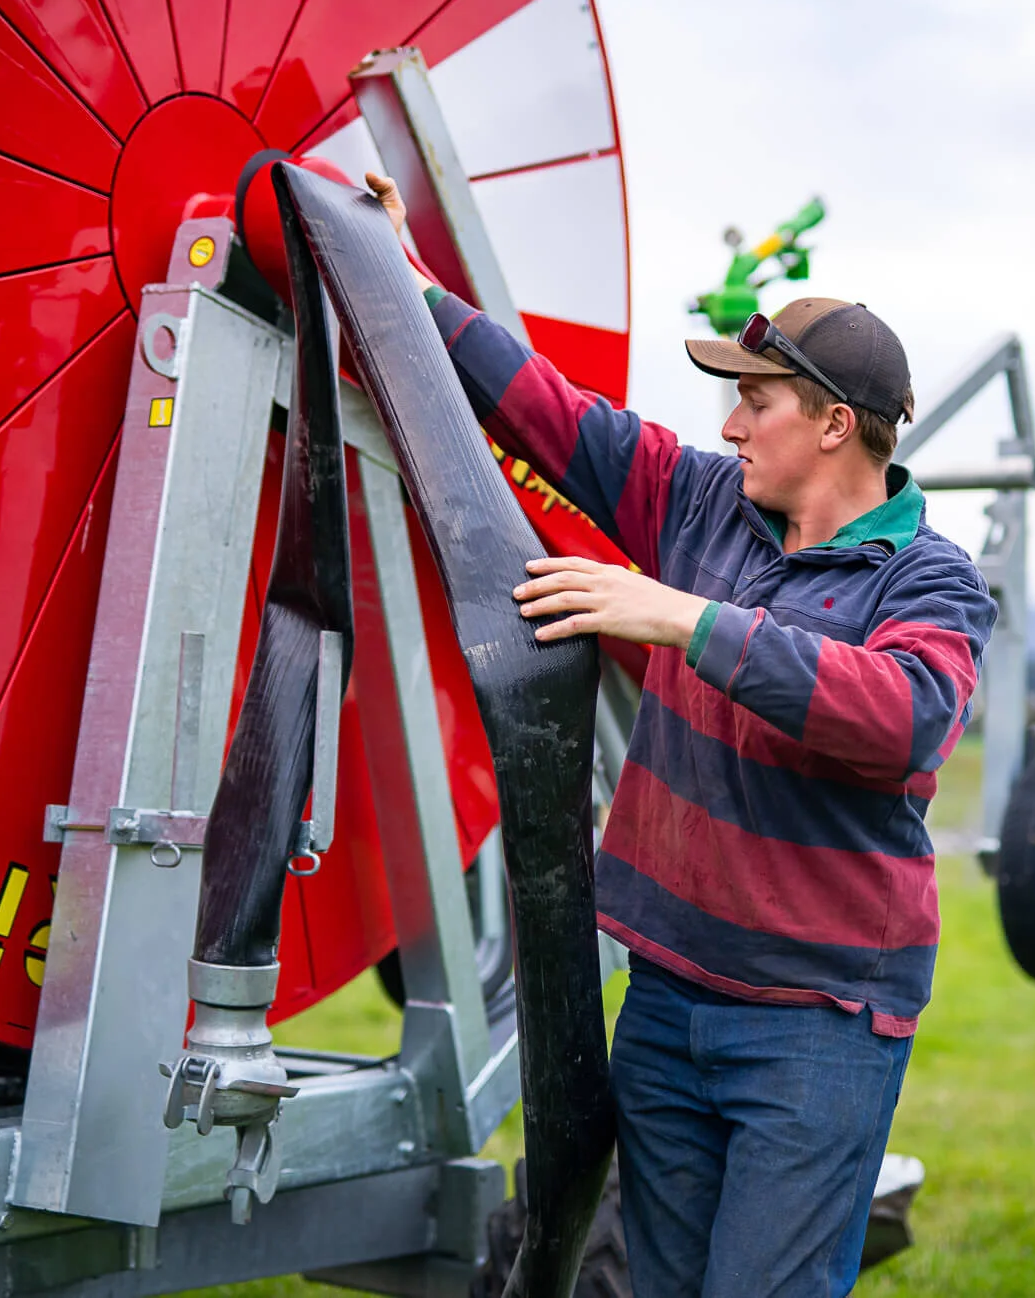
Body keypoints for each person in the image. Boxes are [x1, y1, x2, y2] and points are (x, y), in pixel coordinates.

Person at [367, 174, 995, 1297]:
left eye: (756, 399)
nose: (730, 422)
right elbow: (550, 412)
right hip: (665, 997)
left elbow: (903, 718)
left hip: (814, 1026)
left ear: (834, 425)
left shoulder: (927, 581)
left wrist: (687, 619)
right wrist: (409, 283)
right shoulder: (701, 505)